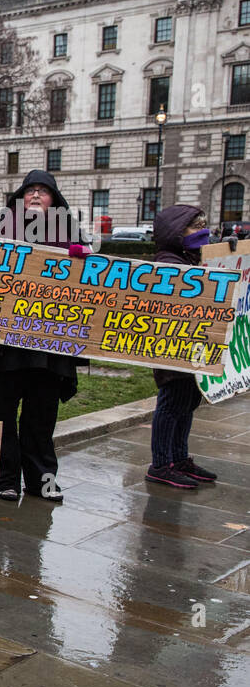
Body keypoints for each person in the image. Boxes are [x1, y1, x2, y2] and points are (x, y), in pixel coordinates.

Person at [0, 169, 91, 501]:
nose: (35, 195)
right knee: (4, 415)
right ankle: (5, 479)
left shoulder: (72, 236)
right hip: (5, 349)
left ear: (55, 199)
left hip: (49, 352)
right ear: (19, 199)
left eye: (43, 191)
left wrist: (83, 260)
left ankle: (42, 480)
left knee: (41, 417)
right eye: (29, 191)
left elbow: (92, 288)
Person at [145, 204, 219, 488]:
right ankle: (161, 464)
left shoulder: (187, 258)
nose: (202, 232)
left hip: (192, 344)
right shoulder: (168, 262)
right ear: (176, 232)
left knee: (188, 402)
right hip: (172, 346)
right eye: (195, 227)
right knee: (172, 402)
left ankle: (179, 457)